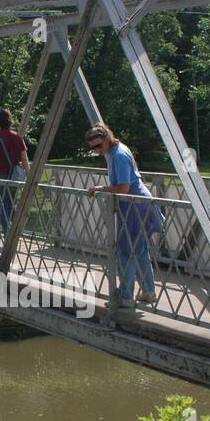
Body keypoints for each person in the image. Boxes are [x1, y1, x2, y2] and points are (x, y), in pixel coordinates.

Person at [84, 122, 162, 306]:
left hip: (135, 206)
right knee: (140, 250)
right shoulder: (113, 149)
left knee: (125, 252)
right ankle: (149, 292)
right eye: (93, 148)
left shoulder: (118, 155)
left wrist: (100, 188)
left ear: (106, 139)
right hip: (138, 204)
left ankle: (126, 298)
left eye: (98, 146)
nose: (96, 150)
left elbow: (124, 188)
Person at [0, 109, 29, 238]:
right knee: (11, 204)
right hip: (15, 177)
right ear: (10, 121)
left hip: (0, 176)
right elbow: (24, 159)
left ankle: (9, 237)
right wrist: (29, 177)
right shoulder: (17, 137)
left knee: (2, 206)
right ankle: (17, 231)